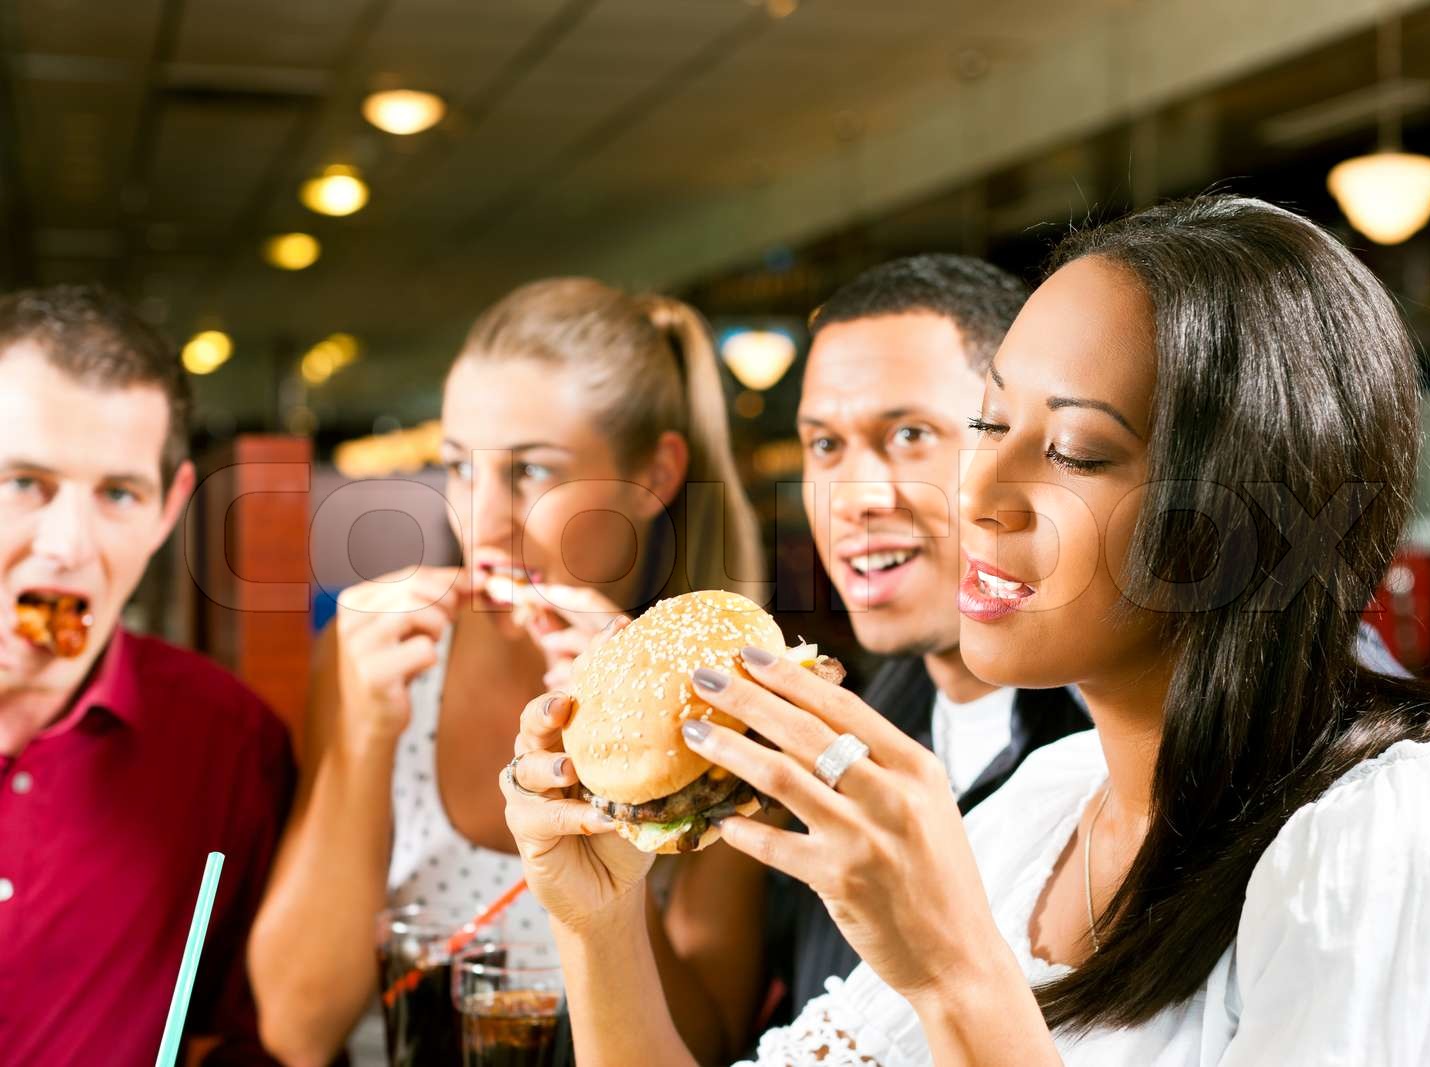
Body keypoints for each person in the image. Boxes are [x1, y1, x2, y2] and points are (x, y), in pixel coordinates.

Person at [502, 197, 1430, 1065]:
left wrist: (954, 973)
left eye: (1074, 451)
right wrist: (598, 923)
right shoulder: (1046, 807)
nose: (978, 492)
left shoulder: (1410, 834)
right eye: (990, 422)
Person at [248, 278, 766, 1066]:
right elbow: (297, 1028)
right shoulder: (380, 659)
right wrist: (367, 734)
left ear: (656, 475)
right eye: (459, 466)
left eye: (531, 472)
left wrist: (615, 772)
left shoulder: (725, 698)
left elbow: (708, 1045)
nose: (482, 521)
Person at [658, 255, 1093, 1056]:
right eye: (825, 444)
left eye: (909, 435)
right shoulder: (829, 732)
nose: (854, 497)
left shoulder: (1117, 752)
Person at [0, 285, 294, 1065]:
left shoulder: (232, 745)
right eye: (23, 482)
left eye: (118, 493)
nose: (67, 545)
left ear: (169, 509)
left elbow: (253, 1038)